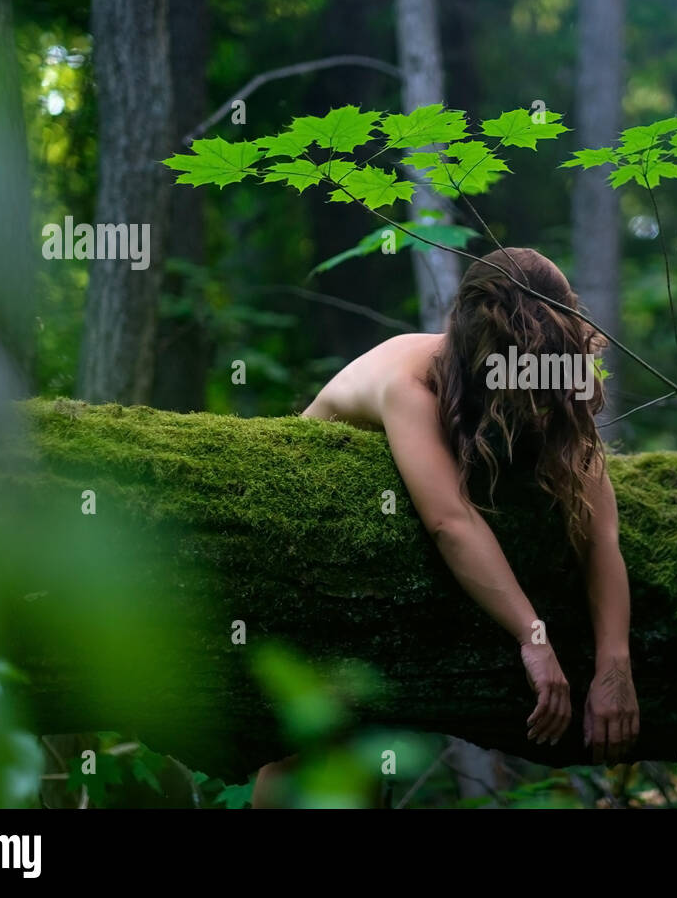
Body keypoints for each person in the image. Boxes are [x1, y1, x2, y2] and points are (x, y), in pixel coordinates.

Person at [252, 247, 639, 807]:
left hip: (388, 577)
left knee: (356, 754)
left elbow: (600, 535)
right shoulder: (407, 381)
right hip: (306, 541)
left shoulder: (554, 368)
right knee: (311, 744)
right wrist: (533, 636)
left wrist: (614, 665)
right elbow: (450, 521)